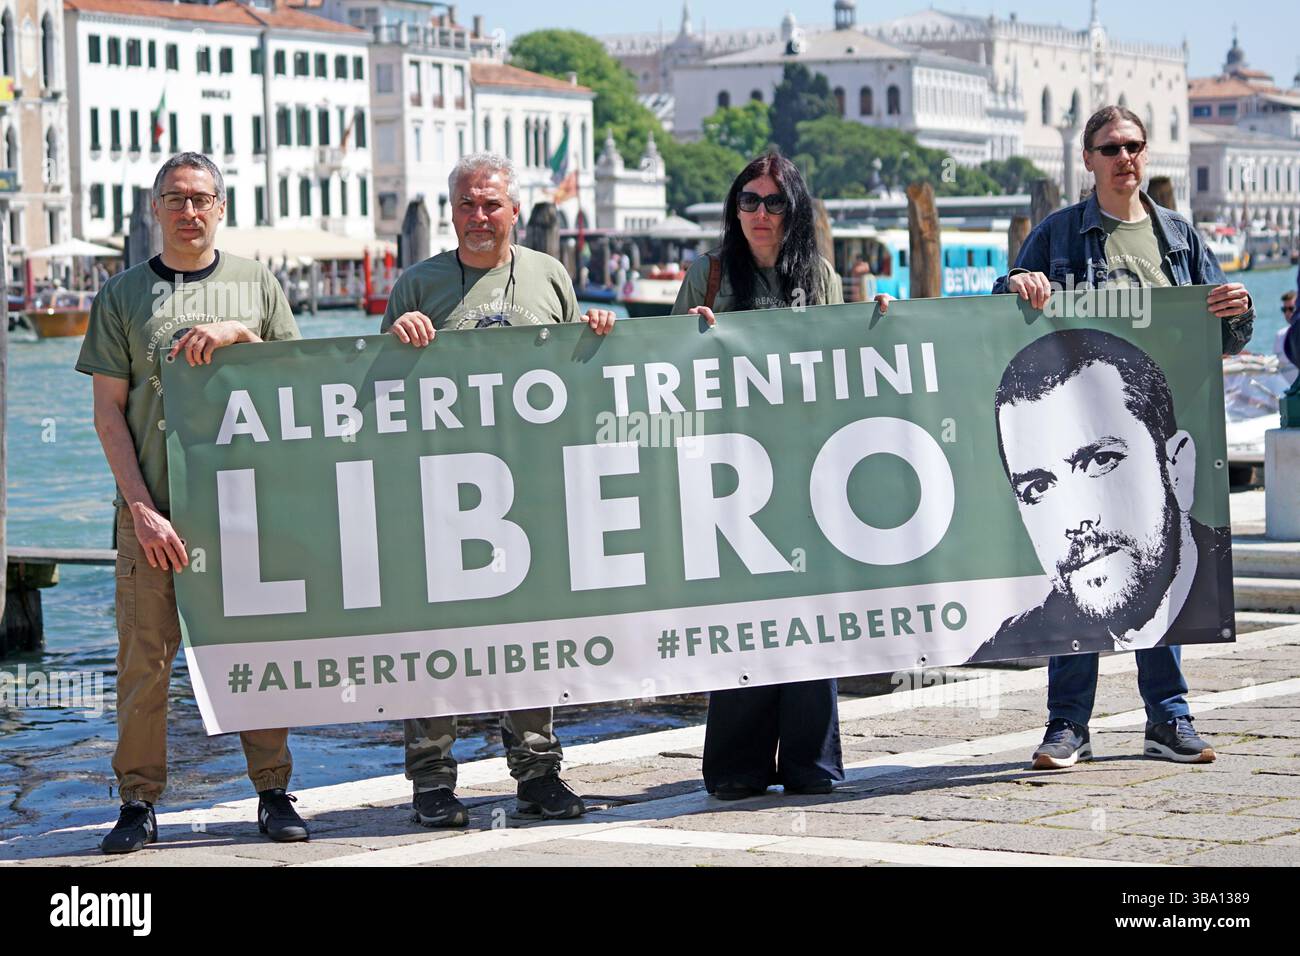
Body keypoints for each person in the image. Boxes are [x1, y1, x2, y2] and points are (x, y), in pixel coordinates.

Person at [992, 104, 1254, 770]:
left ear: (1146, 153)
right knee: (1081, 570)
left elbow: (1221, 337)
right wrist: (1017, 283)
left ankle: (1168, 717)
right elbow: (998, 316)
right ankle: (1067, 725)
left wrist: (1238, 310)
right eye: (1109, 148)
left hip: (1146, 432)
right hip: (1072, 430)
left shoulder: (1179, 239)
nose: (1123, 157)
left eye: (1133, 145)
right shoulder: (1056, 235)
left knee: (1157, 565)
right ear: (1088, 160)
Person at [76, 152, 308, 853]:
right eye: (174, 198)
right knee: (144, 663)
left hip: (243, 506)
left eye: (201, 197)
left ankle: (272, 789)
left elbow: (296, 385)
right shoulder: (121, 296)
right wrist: (140, 508)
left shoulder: (256, 283)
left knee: (255, 652)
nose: (188, 210)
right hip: (154, 513)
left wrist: (240, 334)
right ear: (156, 209)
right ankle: (137, 801)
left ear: (221, 207)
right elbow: (108, 413)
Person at [381, 152, 616, 827]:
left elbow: (574, 378)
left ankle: (538, 772)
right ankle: (431, 781)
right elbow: (372, 391)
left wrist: (597, 336)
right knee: (434, 637)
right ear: (451, 212)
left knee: (530, 632)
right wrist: (397, 338)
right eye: (467, 204)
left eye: (491, 204)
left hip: (530, 489)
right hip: (440, 491)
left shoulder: (551, 276)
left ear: (515, 210)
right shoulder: (417, 284)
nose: (479, 216)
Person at [671, 151, 887, 801]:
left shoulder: (817, 275)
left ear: (794, 212)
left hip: (803, 465)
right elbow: (666, 366)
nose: (760, 214)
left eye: (774, 202)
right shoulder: (707, 274)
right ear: (734, 210)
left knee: (809, 613)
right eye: (749, 201)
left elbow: (842, 362)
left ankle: (808, 762)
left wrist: (879, 324)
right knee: (742, 614)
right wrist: (690, 335)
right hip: (730, 471)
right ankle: (736, 767)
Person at [970, 329, 1233, 664]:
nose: (1075, 520)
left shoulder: (1218, 583)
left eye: (1101, 460)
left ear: (1176, 467)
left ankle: (1167, 697)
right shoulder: (1007, 640)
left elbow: (1223, 333)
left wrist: (1236, 315)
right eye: (1038, 488)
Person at [1275, 290, 1297, 382]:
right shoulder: (1280, 335)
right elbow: (1276, 365)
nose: (1287, 313)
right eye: (1284, 310)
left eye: (1291, 309)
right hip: (1286, 389)